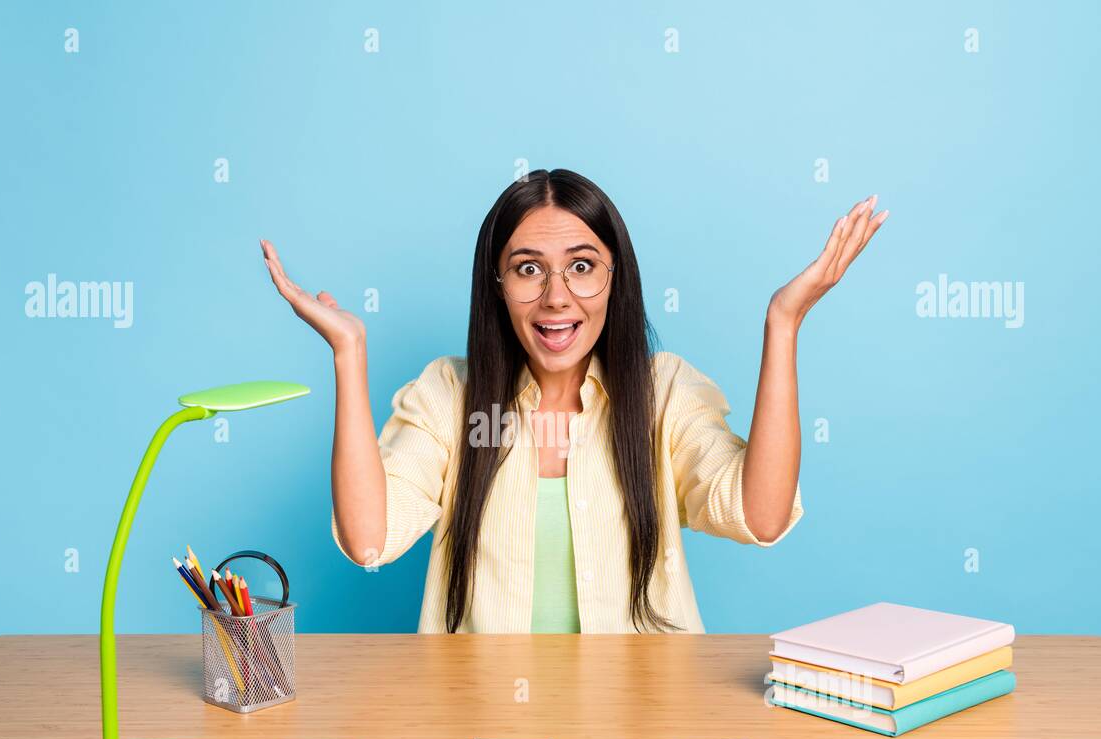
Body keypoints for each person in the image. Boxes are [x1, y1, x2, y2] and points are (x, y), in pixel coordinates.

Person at [261, 168, 886, 634]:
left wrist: (784, 322)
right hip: (482, 721)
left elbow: (761, 517)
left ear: (615, 279)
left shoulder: (662, 393)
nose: (558, 297)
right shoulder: (454, 399)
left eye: (582, 266)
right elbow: (369, 542)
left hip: (644, 723)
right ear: (498, 285)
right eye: (529, 269)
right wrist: (349, 354)